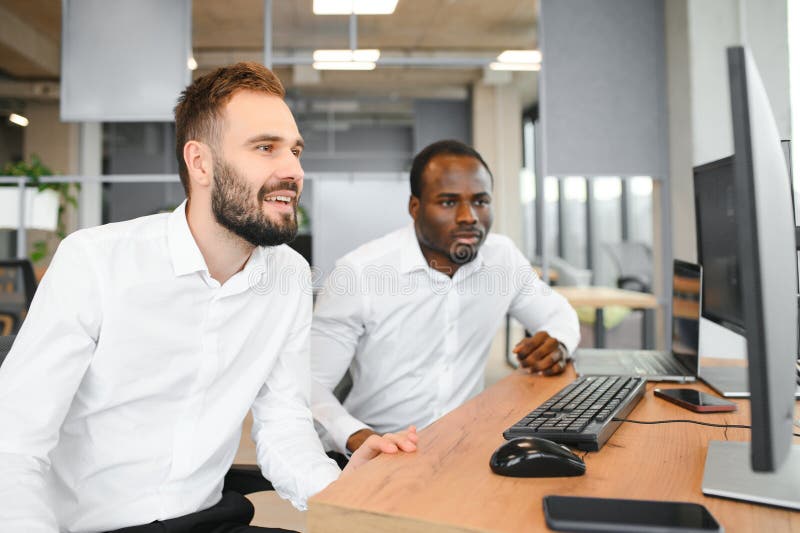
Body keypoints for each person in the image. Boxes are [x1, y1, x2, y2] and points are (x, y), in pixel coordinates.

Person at [0, 62, 416, 533]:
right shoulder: (96, 262)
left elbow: (284, 424)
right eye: (265, 148)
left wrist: (340, 492)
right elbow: (12, 447)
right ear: (200, 162)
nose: (294, 170)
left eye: (295, 151)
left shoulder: (289, 276)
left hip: (208, 519)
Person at [311, 140, 580, 454]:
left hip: (466, 446)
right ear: (415, 207)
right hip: (379, 451)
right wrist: (359, 438)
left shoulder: (502, 258)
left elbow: (559, 315)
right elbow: (309, 385)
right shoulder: (360, 274)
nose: (469, 216)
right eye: (449, 202)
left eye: (480, 201)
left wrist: (558, 342)